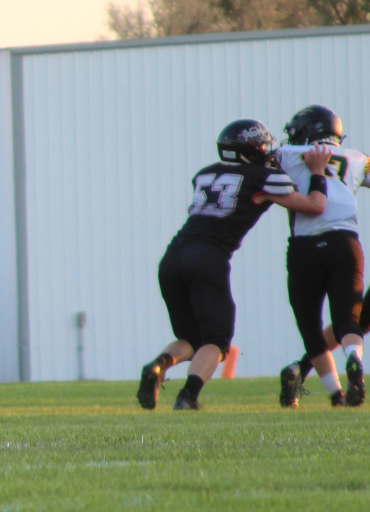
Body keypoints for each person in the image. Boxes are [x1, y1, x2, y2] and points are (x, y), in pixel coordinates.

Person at [138, 119, 327, 411]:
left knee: (190, 339)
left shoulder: (206, 174)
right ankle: (188, 396)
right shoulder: (262, 177)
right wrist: (317, 173)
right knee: (216, 341)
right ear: (251, 149)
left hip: (173, 257)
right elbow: (314, 206)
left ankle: (157, 366)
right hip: (208, 257)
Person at [275, 105, 370, 408]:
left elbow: (255, 163)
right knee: (348, 320)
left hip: (305, 246)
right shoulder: (357, 158)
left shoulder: (286, 153)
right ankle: (354, 358)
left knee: (310, 326)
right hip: (346, 243)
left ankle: (337, 395)